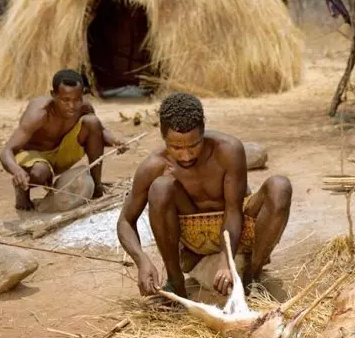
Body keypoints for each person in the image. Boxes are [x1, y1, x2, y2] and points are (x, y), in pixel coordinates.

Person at [116, 92, 292, 298]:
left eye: (194, 145)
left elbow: (234, 210)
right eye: (176, 147)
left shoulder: (228, 150)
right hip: (193, 238)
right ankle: (175, 282)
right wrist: (142, 261)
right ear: (163, 137)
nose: (186, 155)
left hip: (237, 227)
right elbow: (125, 221)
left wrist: (227, 261)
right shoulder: (154, 165)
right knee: (160, 188)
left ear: (203, 132)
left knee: (280, 186)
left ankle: (251, 278)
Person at [0, 69, 128, 210]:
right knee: (39, 172)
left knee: (92, 122)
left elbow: (100, 132)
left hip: (62, 153)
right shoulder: (40, 113)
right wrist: (17, 171)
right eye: (65, 100)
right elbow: (6, 151)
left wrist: (115, 141)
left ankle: (97, 187)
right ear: (53, 95)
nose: (72, 106)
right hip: (34, 158)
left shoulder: (84, 107)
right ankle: (23, 189)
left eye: (76, 100)